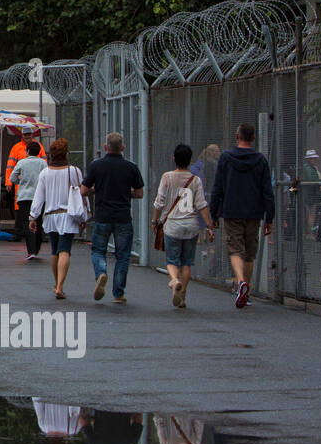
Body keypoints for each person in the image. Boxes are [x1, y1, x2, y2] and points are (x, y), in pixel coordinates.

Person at [209, 123, 275, 309]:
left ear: (237, 136)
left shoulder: (226, 158)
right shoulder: (260, 160)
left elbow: (218, 187)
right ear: (253, 138)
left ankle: (240, 282)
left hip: (231, 210)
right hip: (254, 212)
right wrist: (269, 217)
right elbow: (267, 191)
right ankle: (246, 289)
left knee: (235, 249)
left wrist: (214, 213)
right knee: (250, 252)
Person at [82, 131, 145, 305]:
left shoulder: (96, 166)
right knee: (123, 255)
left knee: (98, 250)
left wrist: (96, 190)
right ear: (122, 148)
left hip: (102, 215)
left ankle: (101, 273)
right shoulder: (131, 167)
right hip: (123, 216)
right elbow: (139, 193)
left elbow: (83, 190)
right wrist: (126, 193)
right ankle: (118, 293)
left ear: (105, 147)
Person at [152, 144, 215, 308]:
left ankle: (174, 280)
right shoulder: (195, 180)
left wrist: (155, 221)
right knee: (187, 262)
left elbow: (159, 202)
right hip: (191, 225)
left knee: (172, 260)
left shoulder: (167, 177)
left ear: (174, 158)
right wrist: (209, 225)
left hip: (173, 225)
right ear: (189, 160)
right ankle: (182, 296)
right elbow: (201, 204)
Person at [29, 139, 84, 299]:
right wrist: (83, 216)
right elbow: (80, 194)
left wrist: (33, 216)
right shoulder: (74, 171)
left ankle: (56, 284)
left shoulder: (45, 173)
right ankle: (60, 285)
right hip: (68, 215)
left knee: (54, 250)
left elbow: (39, 196)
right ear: (66, 153)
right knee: (65, 249)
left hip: (50, 216)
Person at [9, 141, 48, 260]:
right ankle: (37, 247)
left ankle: (31, 251)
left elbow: (12, 178)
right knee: (38, 221)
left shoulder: (22, 163)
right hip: (39, 197)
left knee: (27, 223)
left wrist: (21, 182)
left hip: (24, 197)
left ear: (28, 151)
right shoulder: (43, 163)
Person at [4, 130, 43, 239]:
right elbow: (10, 165)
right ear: (22, 135)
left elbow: (45, 166)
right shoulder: (16, 148)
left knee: (35, 207)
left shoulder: (38, 146)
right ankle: (19, 232)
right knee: (20, 209)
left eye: (29, 134)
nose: (27, 136)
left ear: (32, 135)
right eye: (25, 134)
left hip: (34, 184)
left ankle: (37, 233)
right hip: (23, 183)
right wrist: (9, 182)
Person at [299, 148, 321, 235]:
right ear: (309, 159)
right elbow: (312, 179)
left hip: (310, 194)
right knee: (311, 215)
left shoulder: (309, 167)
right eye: (313, 158)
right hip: (310, 195)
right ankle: (310, 233)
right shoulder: (308, 168)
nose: (315, 160)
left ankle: (309, 232)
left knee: (311, 214)